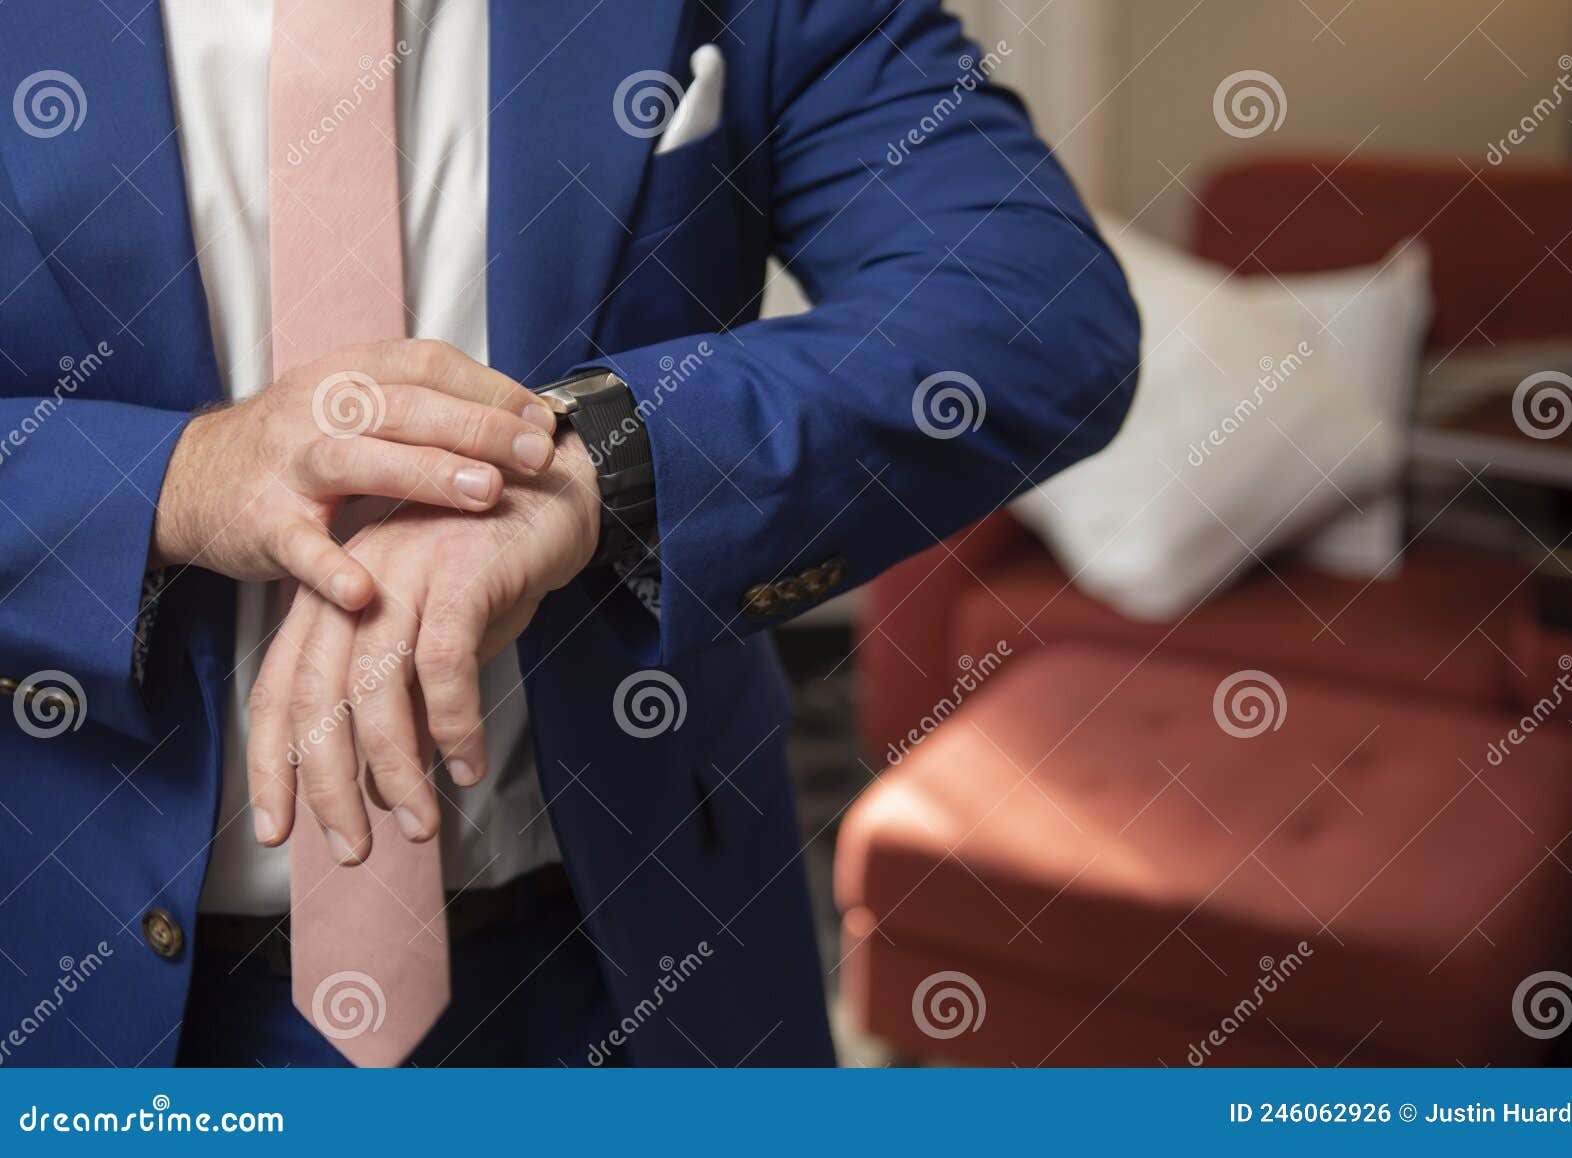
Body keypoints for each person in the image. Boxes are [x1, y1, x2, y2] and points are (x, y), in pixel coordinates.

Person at [0, 0, 1138, 1066]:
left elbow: (1028, 301)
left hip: (633, 971)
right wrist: (175, 481)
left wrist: (584, 466)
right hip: (76, 986)